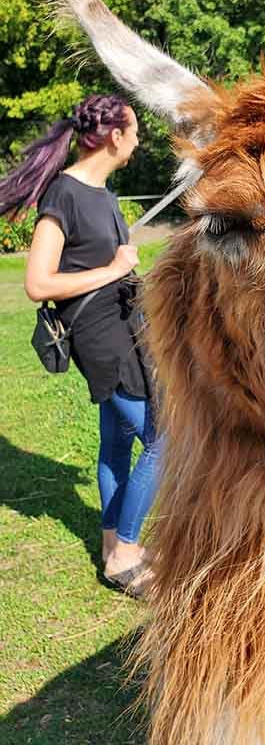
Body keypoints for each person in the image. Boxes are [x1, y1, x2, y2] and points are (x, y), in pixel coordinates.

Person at [0, 94, 160, 598]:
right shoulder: (63, 195)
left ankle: (114, 542)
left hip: (125, 327)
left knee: (115, 442)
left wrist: (130, 276)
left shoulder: (106, 196)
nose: (137, 142)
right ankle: (127, 554)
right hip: (98, 338)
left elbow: (107, 266)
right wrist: (112, 270)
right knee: (166, 440)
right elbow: (38, 283)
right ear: (115, 136)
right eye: (134, 131)